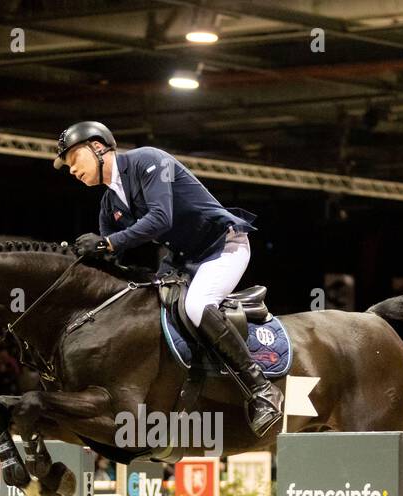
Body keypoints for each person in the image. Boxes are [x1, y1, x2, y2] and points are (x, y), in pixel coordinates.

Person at [54, 120, 283, 436]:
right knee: (148, 308)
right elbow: (110, 260)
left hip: (222, 246)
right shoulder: (109, 204)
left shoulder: (149, 160)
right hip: (183, 261)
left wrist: (107, 242)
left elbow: (160, 219)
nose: (71, 170)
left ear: (97, 147)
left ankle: (261, 388)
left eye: (73, 159)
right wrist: (77, 258)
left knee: (196, 306)